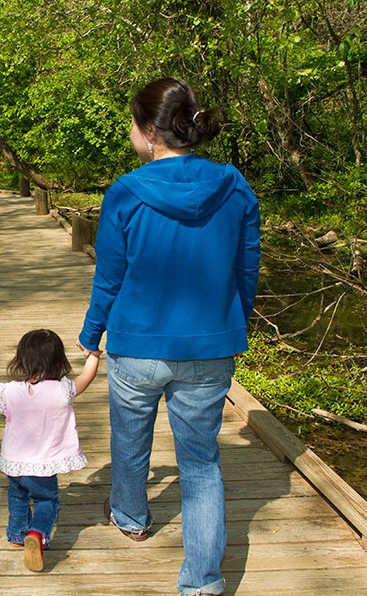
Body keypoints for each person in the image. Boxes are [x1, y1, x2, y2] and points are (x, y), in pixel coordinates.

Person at [77, 77, 261, 595]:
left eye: (132, 123)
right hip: (210, 346)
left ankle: (132, 518)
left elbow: (109, 276)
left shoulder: (125, 194)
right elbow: (246, 268)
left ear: (151, 132)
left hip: (137, 345)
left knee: (129, 441)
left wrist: (92, 335)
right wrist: (231, 321)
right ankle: (202, 583)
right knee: (200, 464)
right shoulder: (234, 186)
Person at [0, 328, 100, 572]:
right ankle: (37, 535)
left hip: (15, 464)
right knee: (45, 500)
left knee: (17, 496)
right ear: (59, 361)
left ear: (21, 360)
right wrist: (93, 355)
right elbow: (87, 378)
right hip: (42, 466)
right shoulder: (62, 391)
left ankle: (17, 534)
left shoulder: (9, 391)